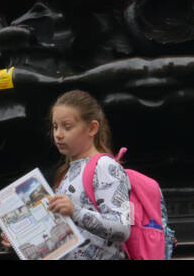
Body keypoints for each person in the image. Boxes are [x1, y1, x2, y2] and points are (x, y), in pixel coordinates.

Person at [47, 89, 131, 260]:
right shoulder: (67, 171)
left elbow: (122, 227)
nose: (58, 134)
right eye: (55, 126)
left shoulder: (106, 167)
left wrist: (75, 211)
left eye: (67, 126)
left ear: (92, 128)